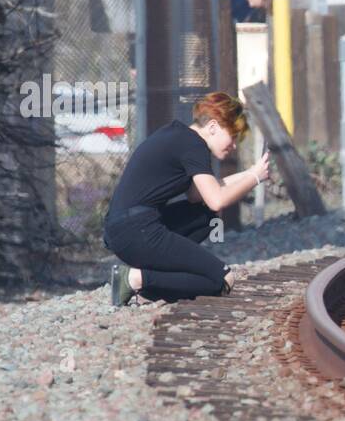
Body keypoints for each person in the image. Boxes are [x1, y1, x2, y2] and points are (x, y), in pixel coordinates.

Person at [104, 92, 270, 307]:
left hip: (125, 229)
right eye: (233, 136)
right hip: (137, 231)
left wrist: (251, 172)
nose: (234, 145)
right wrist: (255, 178)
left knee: (206, 215)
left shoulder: (181, 137)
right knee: (223, 279)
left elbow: (197, 195)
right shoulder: (194, 146)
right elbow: (217, 200)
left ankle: (148, 285)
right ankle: (136, 279)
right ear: (213, 127)